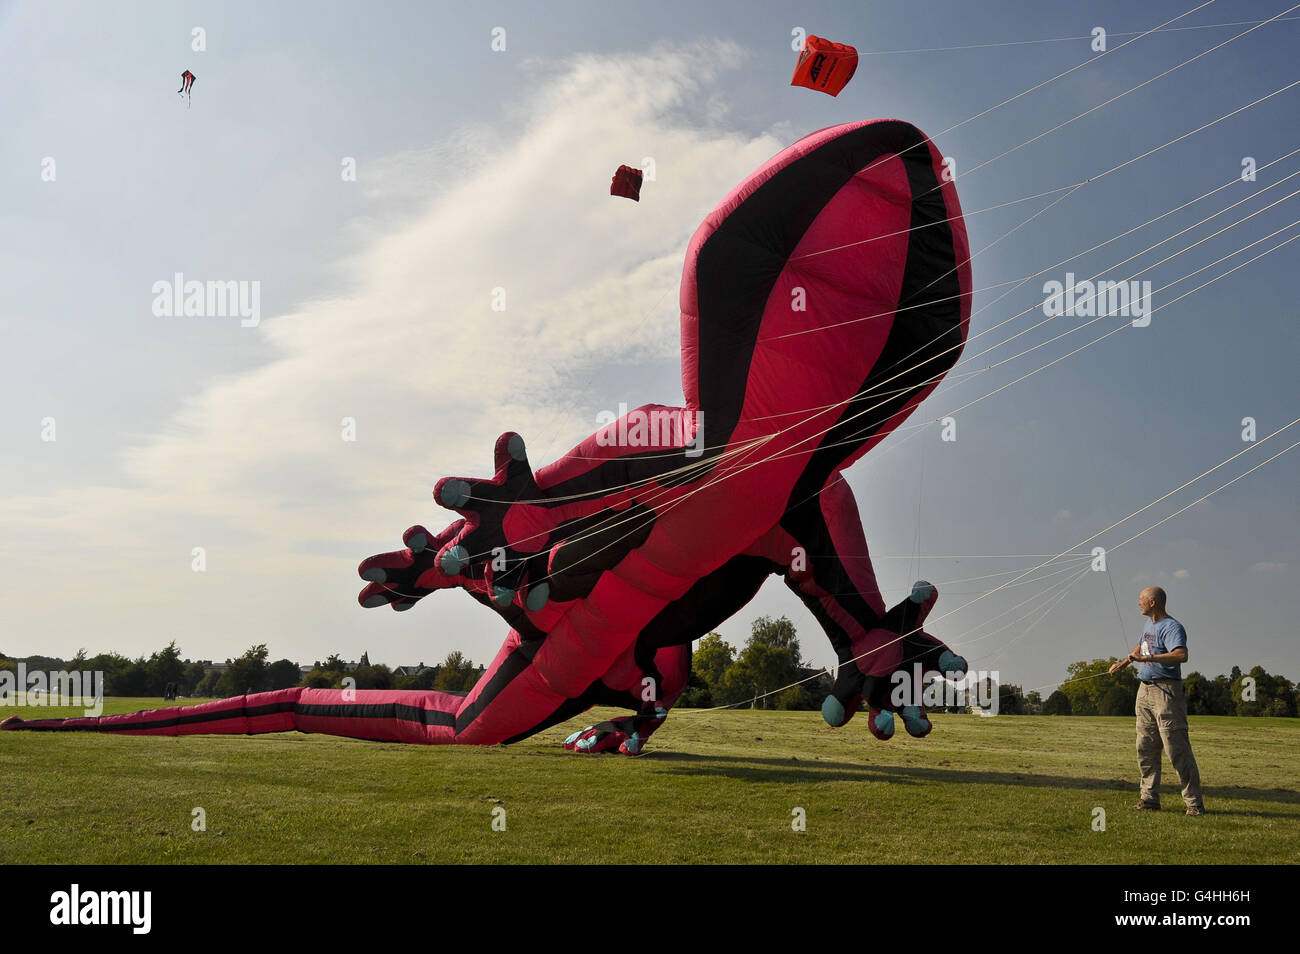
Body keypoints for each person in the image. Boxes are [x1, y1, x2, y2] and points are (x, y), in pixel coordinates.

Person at [1109, 586, 1204, 816]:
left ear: (1152, 603)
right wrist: (1125, 662)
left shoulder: (1172, 627)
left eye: (1141, 600)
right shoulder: (1149, 625)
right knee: (1145, 747)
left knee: (1176, 749)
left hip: (1166, 692)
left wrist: (1148, 658)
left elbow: (1182, 655)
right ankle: (1149, 798)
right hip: (1144, 691)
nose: (1138, 603)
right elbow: (1141, 647)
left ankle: (1194, 804)